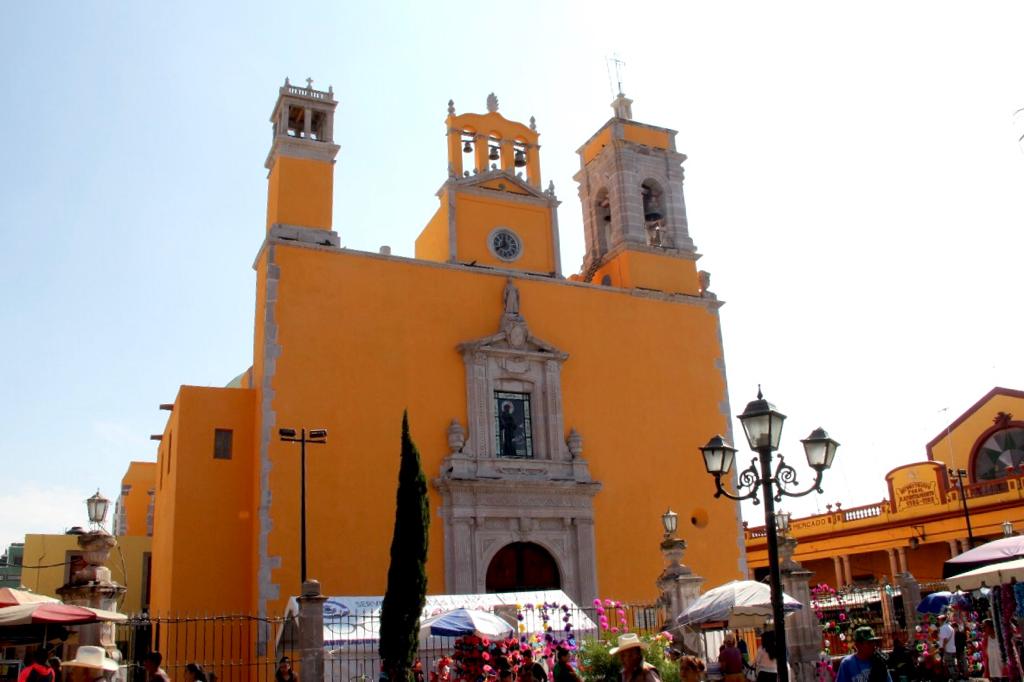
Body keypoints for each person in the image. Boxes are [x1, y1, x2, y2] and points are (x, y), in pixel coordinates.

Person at [937, 615, 957, 681]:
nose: (938, 621)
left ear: (942, 620)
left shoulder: (943, 628)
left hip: (947, 649)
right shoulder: (950, 627)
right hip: (952, 649)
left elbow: (945, 639)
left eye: (939, 620)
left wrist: (943, 648)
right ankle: (954, 678)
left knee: (949, 665)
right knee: (952, 664)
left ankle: (953, 678)